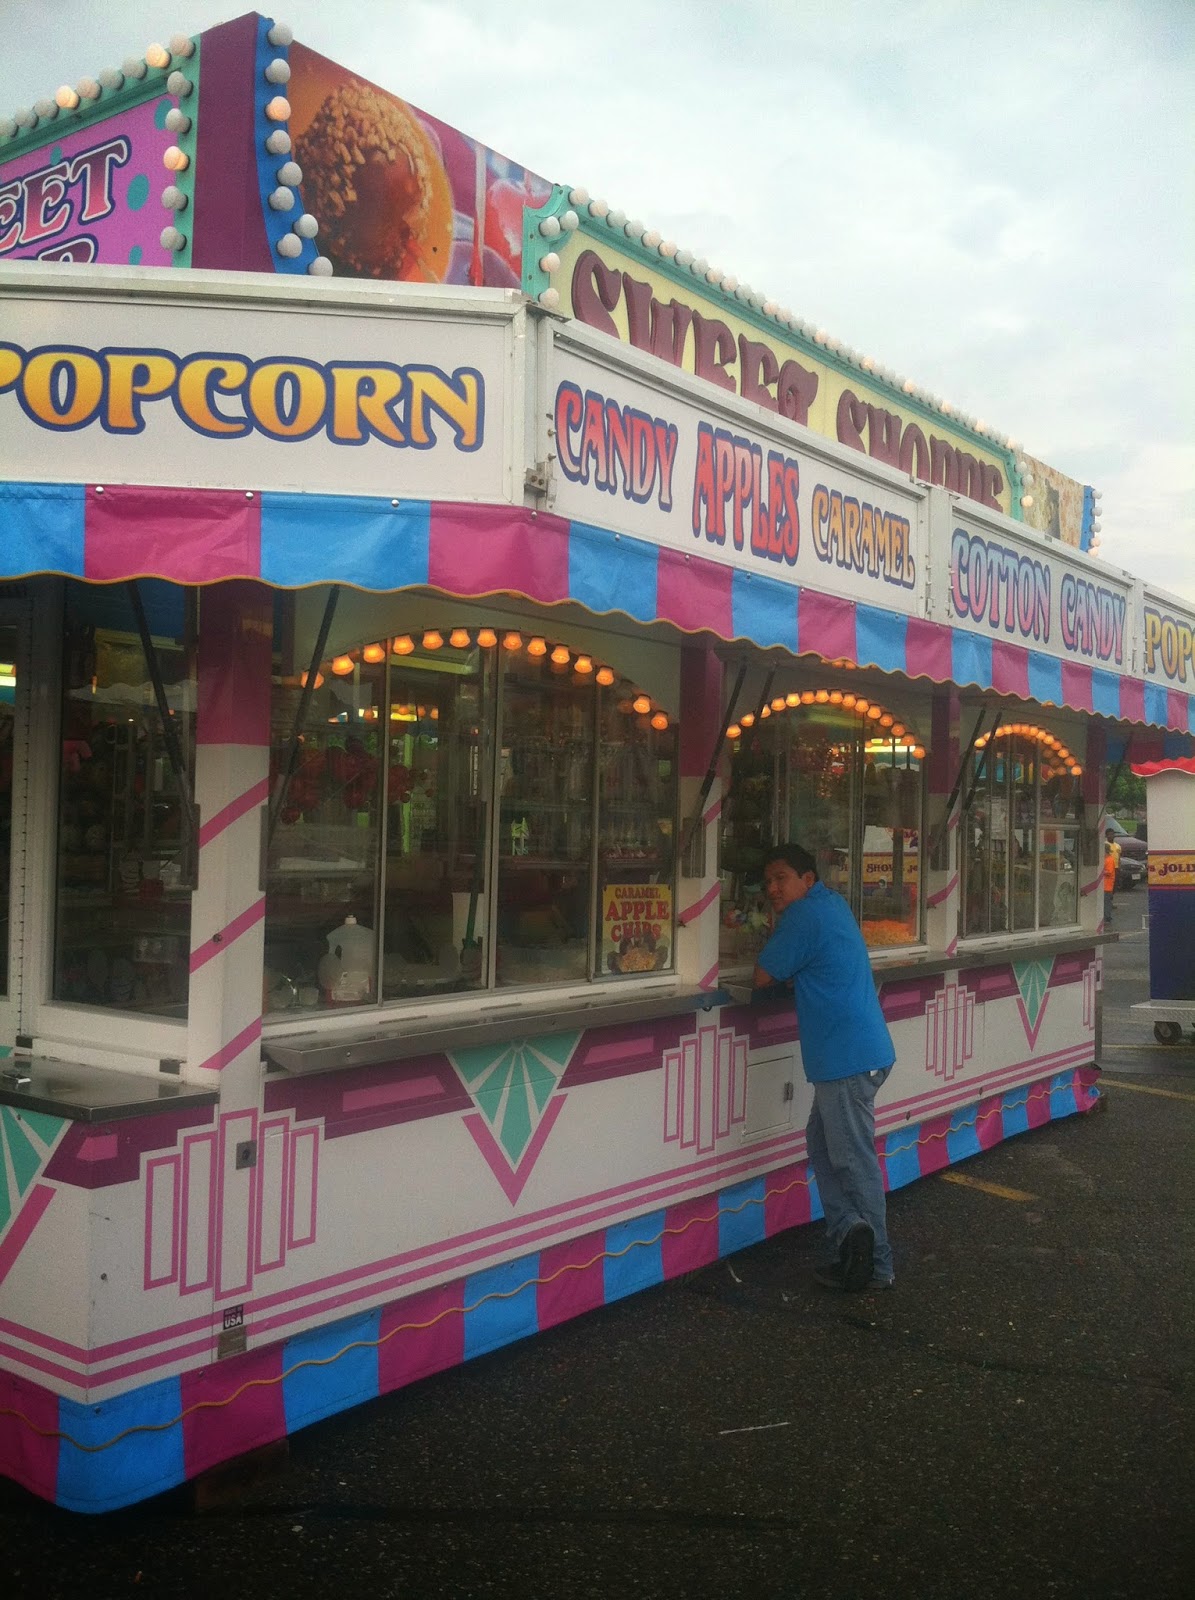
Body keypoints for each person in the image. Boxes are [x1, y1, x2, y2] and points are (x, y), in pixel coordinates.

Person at [752, 842, 896, 1292]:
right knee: (822, 1145)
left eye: (781, 878)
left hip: (846, 1059)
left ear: (807, 879)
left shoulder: (803, 916)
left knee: (852, 1161)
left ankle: (876, 1264)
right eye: (768, 881)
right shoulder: (830, 905)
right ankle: (848, 1236)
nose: (773, 888)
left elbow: (762, 976)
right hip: (857, 1053)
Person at [1103, 831, 1120, 924]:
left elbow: (1109, 872)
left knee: (1106, 902)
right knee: (1106, 901)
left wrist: (1100, 872)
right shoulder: (1106, 859)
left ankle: (1107, 917)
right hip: (1105, 884)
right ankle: (1106, 916)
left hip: (1107, 884)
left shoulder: (1109, 860)